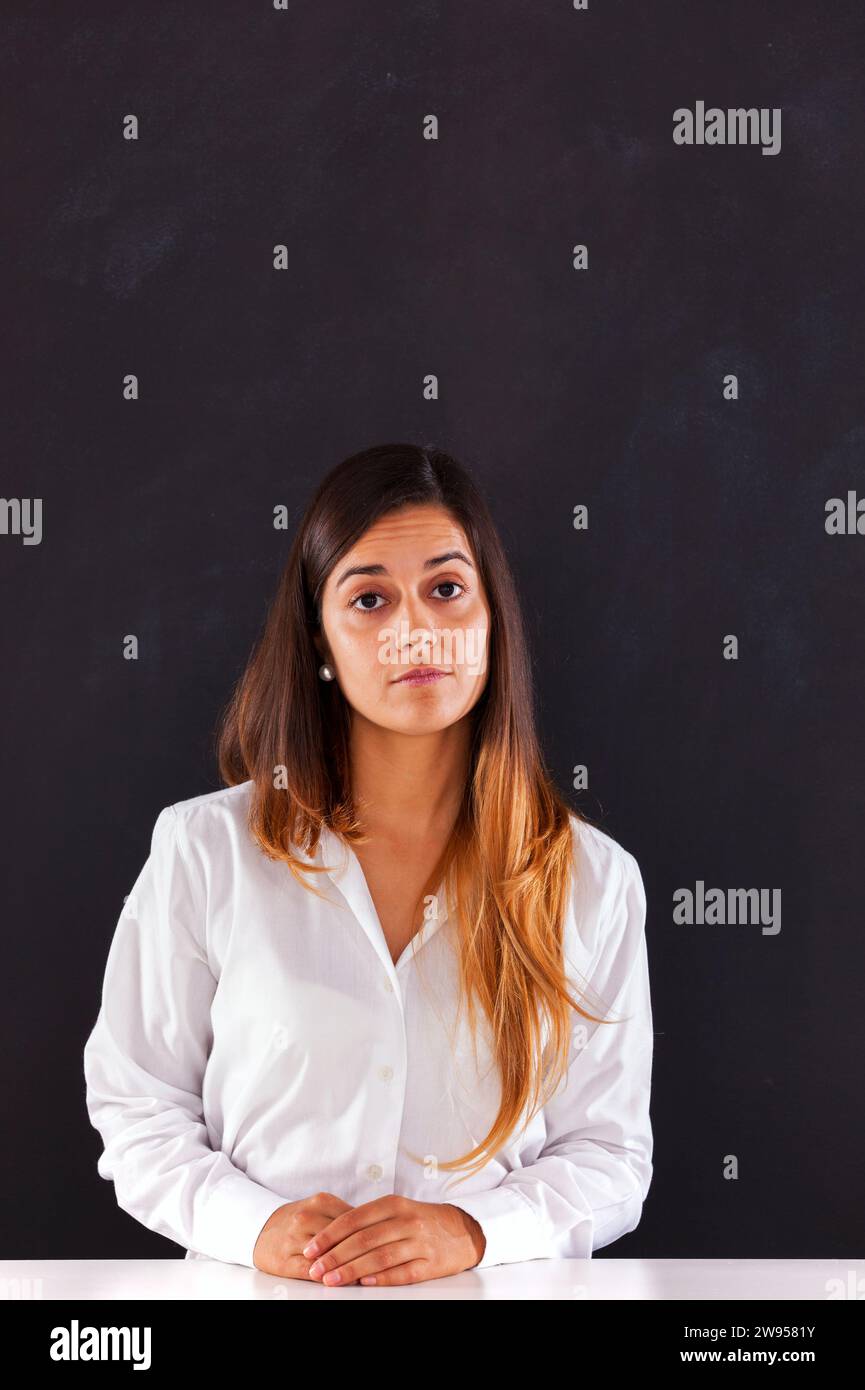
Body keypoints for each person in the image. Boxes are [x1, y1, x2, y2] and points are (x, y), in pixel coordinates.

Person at [83, 441, 654, 1287]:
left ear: (492, 617)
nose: (413, 631)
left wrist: (471, 1230)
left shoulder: (590, 880)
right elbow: (137, 1109)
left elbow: (608, 1155)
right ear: (321, 639)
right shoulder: (207, 851)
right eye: (370, 599)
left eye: (446, 589)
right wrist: (258, 1227)